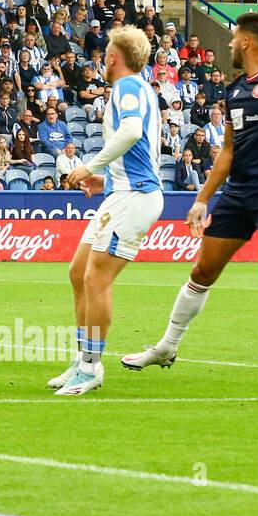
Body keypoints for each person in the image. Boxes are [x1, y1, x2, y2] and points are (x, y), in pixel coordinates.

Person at [122, 13, 258, 392]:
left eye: (235, 39)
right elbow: (229, 152)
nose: (230, 45)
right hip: (238, 193)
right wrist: (202, 199)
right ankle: (167, 347)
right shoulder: (234, 91)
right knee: (203, 272)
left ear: (248, 42)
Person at [57, 26, 164, 396]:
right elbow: (143, 150)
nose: (102, 59)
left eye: (105, 53)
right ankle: (81, 360)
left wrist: (92, 167)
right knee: (78, 273)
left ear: (114, 58)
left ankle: (91, 367)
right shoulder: (140, 88)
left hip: (136, 197)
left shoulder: (126, 87)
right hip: (123, 191)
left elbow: (133, 131)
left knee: (96, 279)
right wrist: (108, 180)